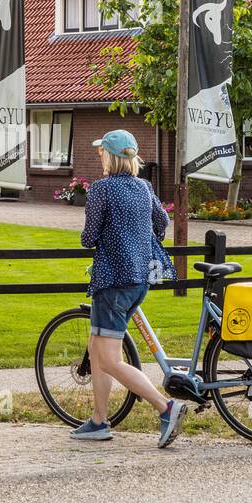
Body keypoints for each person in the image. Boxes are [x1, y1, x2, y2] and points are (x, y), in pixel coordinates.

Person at [70, 129, 188, 448]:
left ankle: (166, 407)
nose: (99, 158)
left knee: (109, 359)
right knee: (97, 351)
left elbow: (88, 236)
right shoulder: (144, 187)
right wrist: (139, 241)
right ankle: (98, 421)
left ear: (109, 157)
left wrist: (103, 240)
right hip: (139, 279)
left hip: (112, 282)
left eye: (101, 153)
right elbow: (162, 222)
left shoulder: (101, 190)